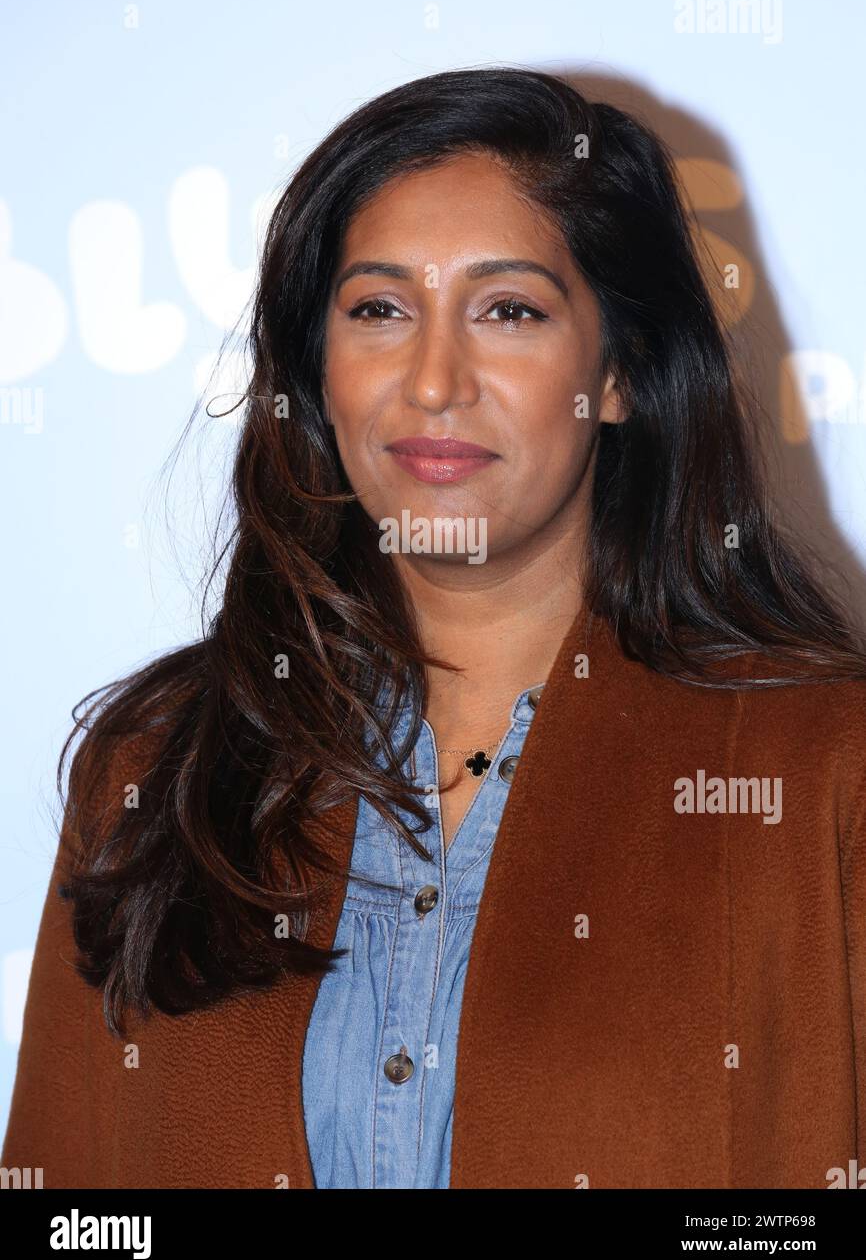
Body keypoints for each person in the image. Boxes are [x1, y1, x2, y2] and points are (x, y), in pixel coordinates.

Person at [3, 66, 866, 1190]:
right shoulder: (156, 766)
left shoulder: (821, 773)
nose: (432, 381)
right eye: (379, 309)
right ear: (317, 371)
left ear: (615, 372)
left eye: (507, 308)